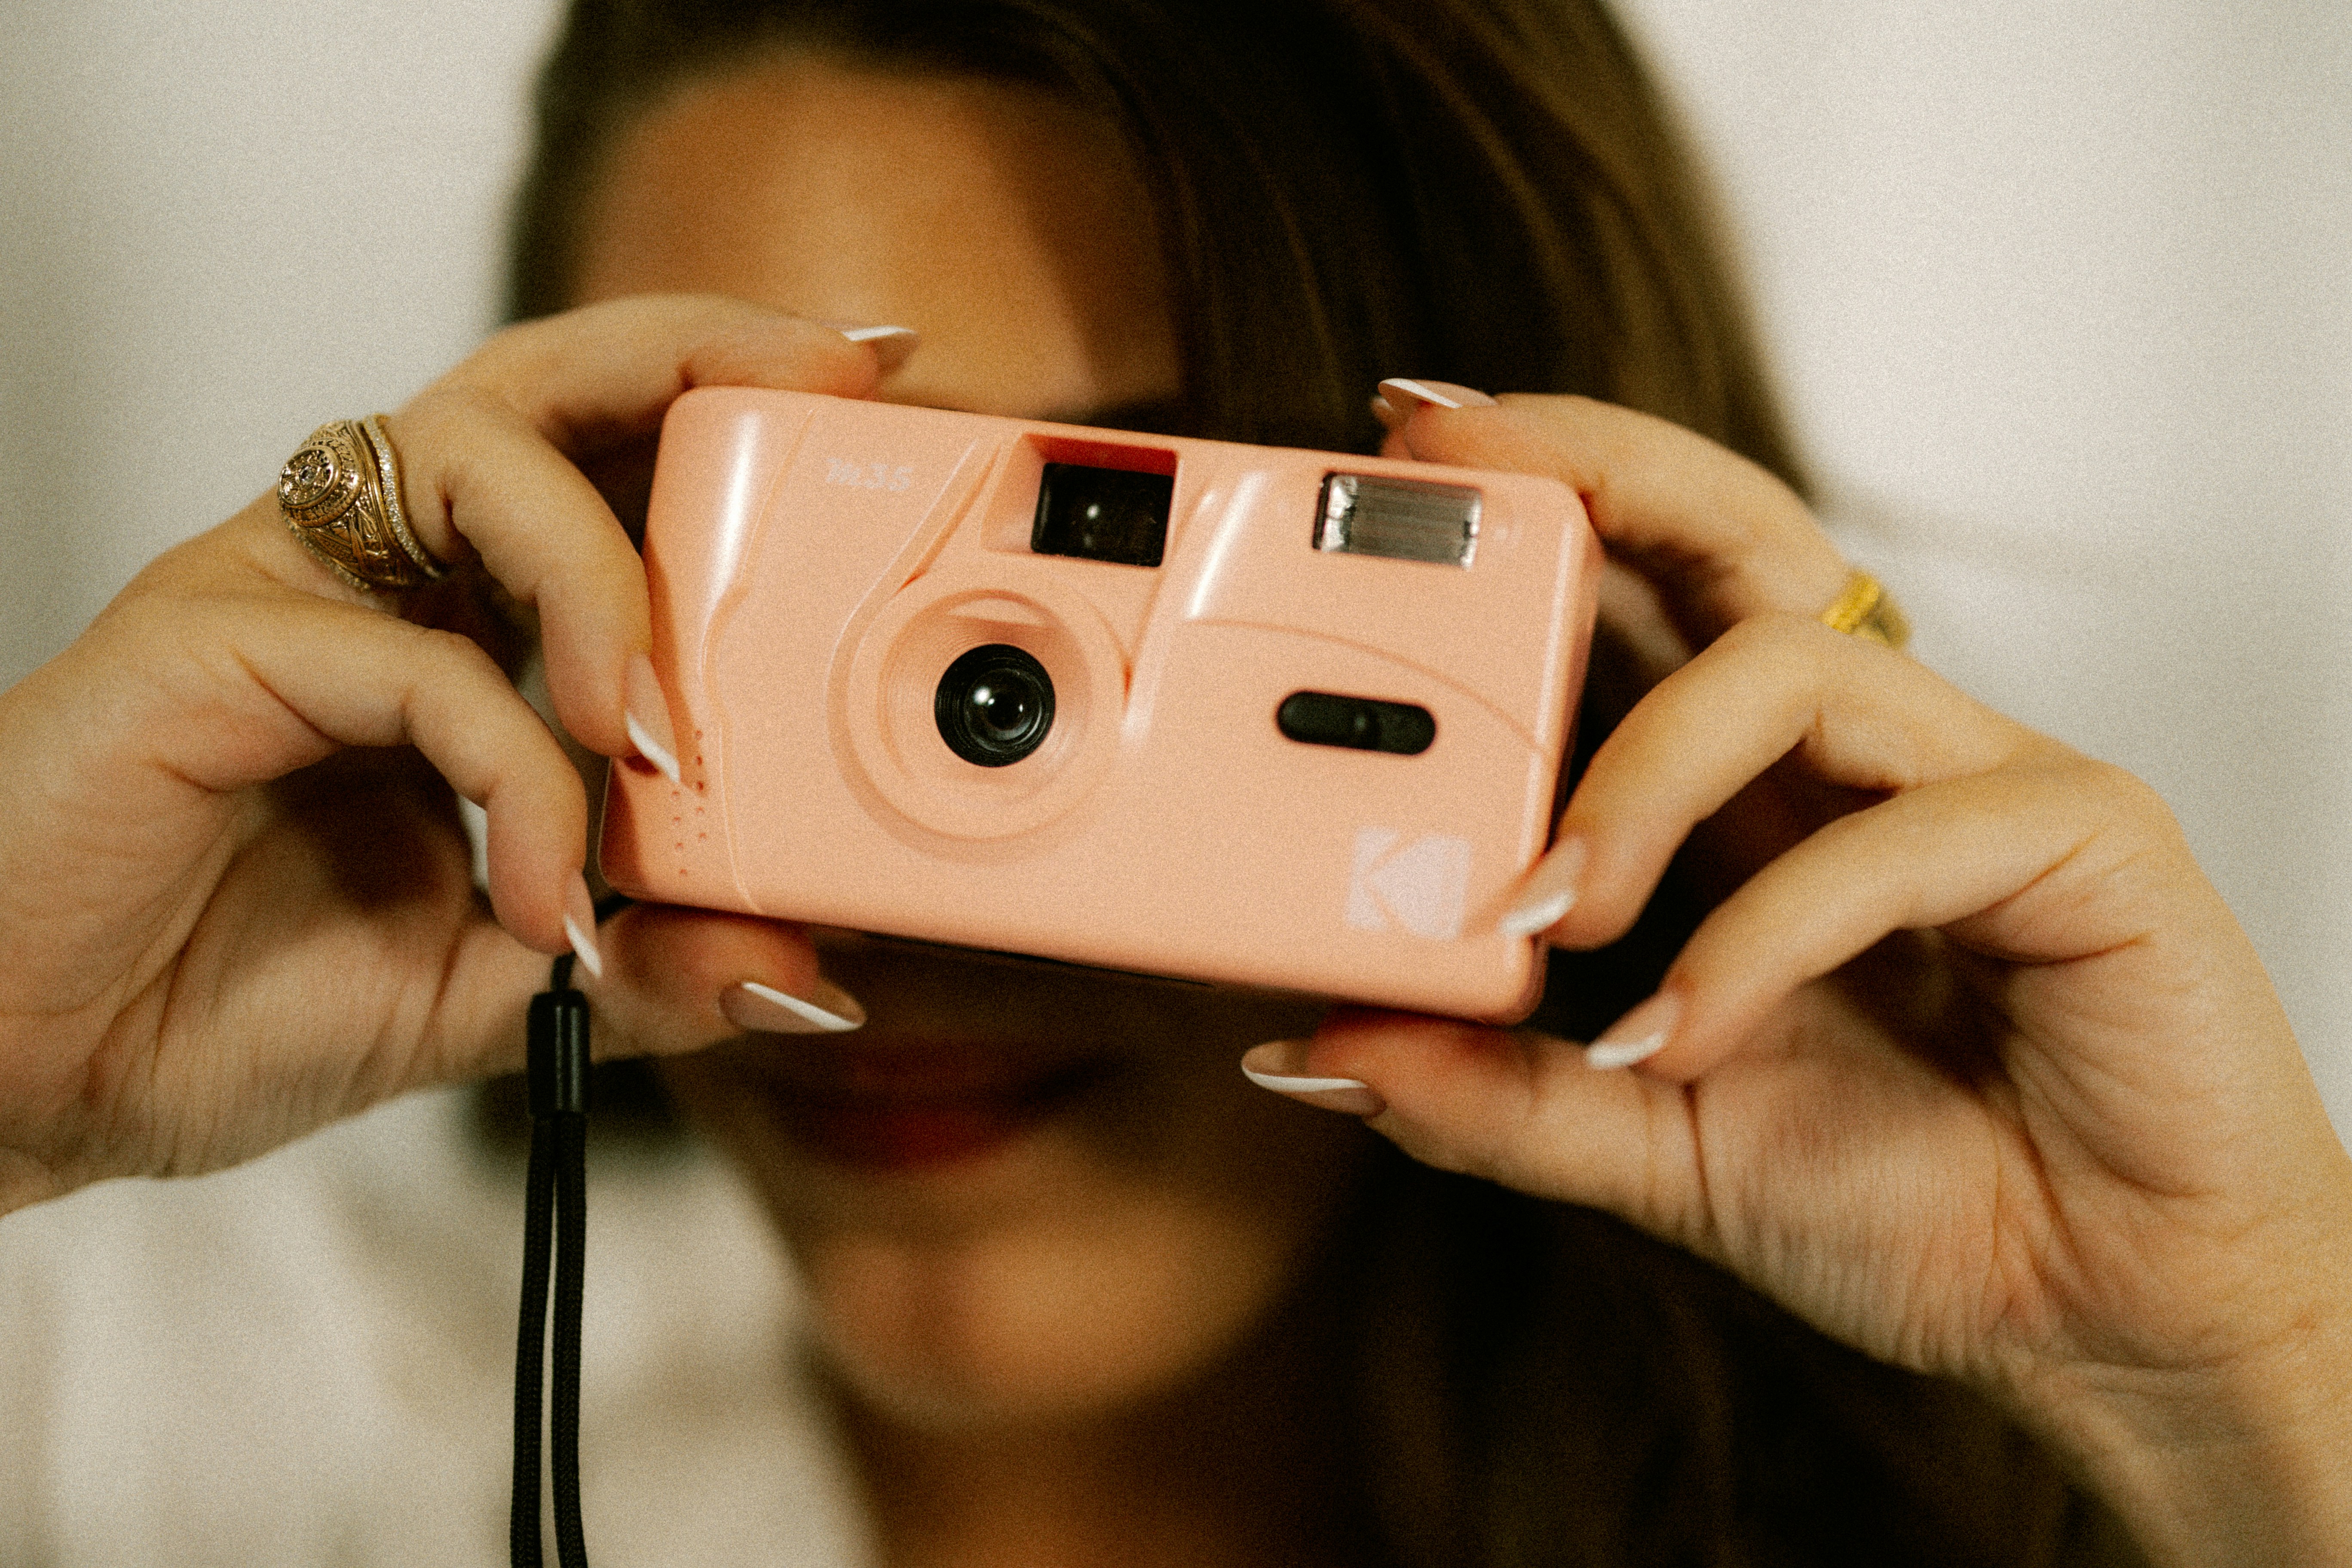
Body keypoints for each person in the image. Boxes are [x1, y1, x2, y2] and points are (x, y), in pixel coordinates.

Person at [2, 0, 2348, 1563]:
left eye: (1131, 543)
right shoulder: (176, 1425)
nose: (923, 899)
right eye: (765, 574)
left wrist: (2243, 1383)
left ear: (1583, 652)